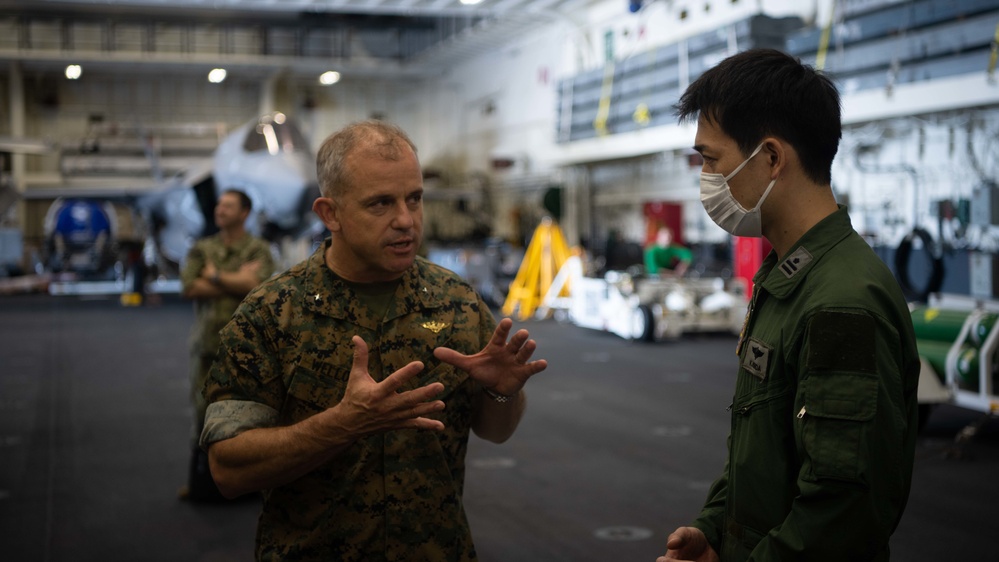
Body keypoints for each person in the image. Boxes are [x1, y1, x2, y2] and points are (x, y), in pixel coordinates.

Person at [199, 120, 547, 560]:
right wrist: (343, 425)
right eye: (381, 203)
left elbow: (495, 432)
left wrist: (502, 395)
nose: (406, 220)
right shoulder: (272, 312)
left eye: (414, 199)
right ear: (330, 214)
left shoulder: (455, 300)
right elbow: (227, 469)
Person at [658, 48, 920, 562]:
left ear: (772, 159)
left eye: (711, 159)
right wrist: (714, 531)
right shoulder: (789, 277)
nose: (705, 178)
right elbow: (763, 451)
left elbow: (840, 516)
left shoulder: (841, 302)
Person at [179, 188, 275, 502]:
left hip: (249, 346)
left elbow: (255, 285)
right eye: (219, 204)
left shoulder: (258, 248)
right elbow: (190, 287)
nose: (220, 209)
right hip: (208, 345)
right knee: (201, 413)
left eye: (228, 205)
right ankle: (202, 485)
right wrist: (236, 279)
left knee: (249, 414)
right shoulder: (202, 247)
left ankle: (246, 485)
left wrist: (216, 275)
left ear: (244, 213)